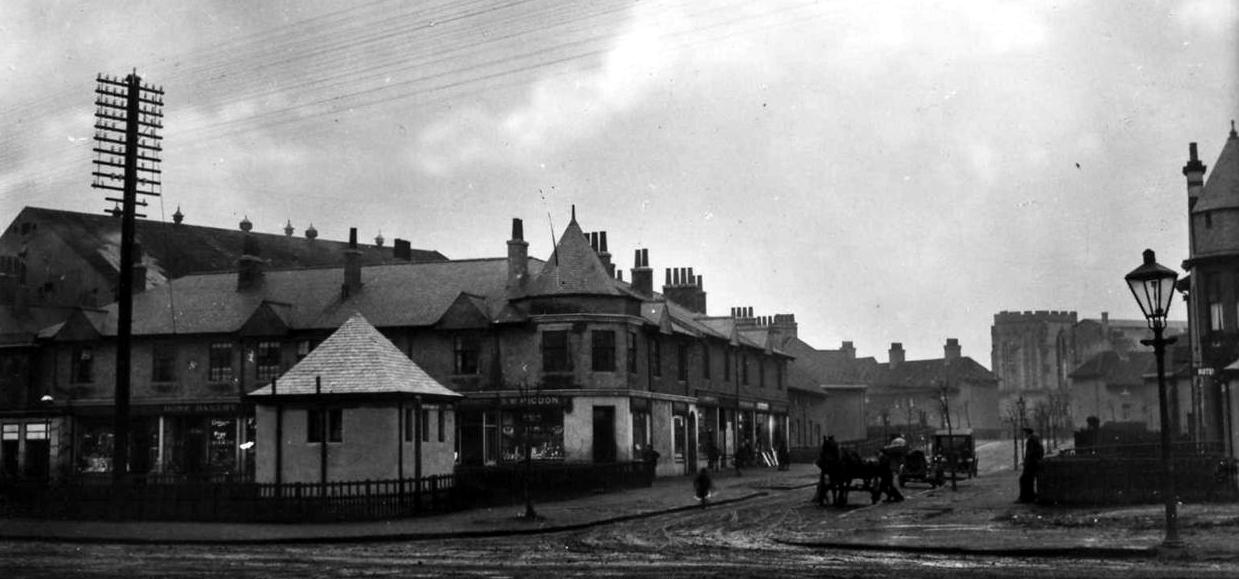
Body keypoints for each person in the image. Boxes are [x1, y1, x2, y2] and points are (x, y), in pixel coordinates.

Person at [1018, 427, 1044, 503]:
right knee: (1028, 480)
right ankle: (1029, 496)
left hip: (1031, 464)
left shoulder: (1031, 440)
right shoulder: (1035, 439)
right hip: (1033, 463)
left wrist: (1027, 461)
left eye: (1024, 433)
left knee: (1024, 479)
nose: (1024, 435)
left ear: (1027, 433)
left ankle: (1024, 498)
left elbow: (1031, 453)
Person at [814, 435, 840, 506]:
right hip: (831, 466)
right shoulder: (834, 445)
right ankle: (827, 498)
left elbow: (822, 455)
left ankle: (822, 498)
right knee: (830, 483)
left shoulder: (826, 445)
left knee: (823, 482)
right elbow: (837, 456)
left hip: (826, 466)